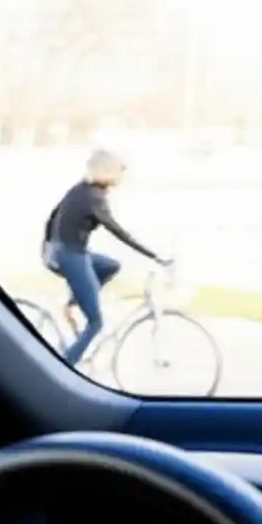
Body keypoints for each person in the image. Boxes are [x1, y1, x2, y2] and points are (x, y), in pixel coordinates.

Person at [42, 150, 169, 365]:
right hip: (70, 255)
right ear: (105, 172)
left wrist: (48, 248)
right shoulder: (94, 198)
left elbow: (53, 217)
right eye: (118, 171)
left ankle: (73, 301)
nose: (121, 177)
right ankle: (64, 366)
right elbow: (119, 232)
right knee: (96, 323)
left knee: (110, 266)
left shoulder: (80, 189)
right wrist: (155, 256)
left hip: (60, 250)